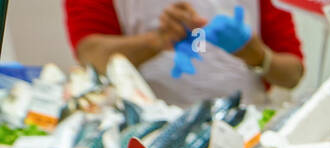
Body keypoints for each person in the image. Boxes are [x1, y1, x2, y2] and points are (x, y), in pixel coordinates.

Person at [65, 1, 305, 105]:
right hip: (147, 133)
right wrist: (156, 41)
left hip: (247, 129)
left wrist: (257, 56)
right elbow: (90, 55)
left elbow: (293, 74)